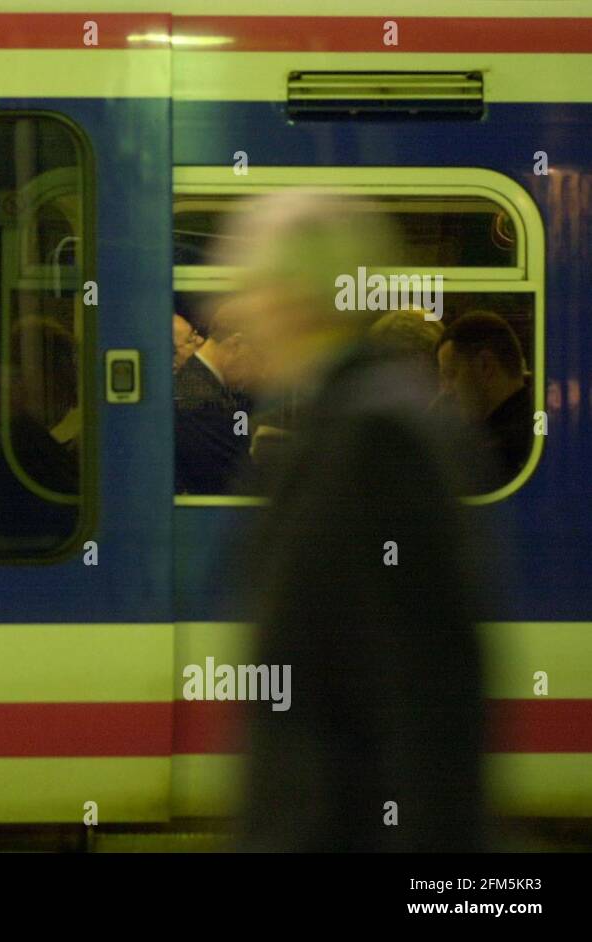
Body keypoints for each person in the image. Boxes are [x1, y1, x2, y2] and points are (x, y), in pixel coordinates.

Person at [218, 190, 486, 851]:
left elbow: (420, 707)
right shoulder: (349, 417)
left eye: (249, 288)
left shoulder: (374, 436)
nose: (235, 311)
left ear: (295, 297)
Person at [435, 311, 533, 492]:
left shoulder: (494, 456)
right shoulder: (533, 424)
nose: (446, 390)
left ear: (485, 366)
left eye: (451, 375)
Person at [173, 302, 257, 494]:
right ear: (235, 344)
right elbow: (234, 481)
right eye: (259, 357)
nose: (260, 371)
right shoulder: (201, 400)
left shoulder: (207, 386)